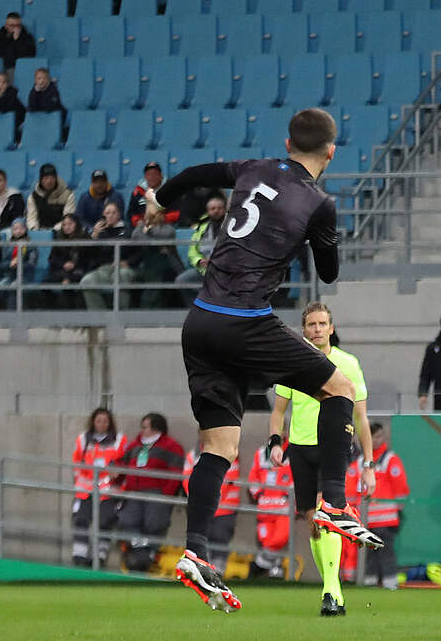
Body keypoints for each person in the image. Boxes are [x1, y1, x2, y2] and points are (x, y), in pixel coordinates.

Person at [142, 108, 379, 611]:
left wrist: (157, 202)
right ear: (331, 152)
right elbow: (330, 274)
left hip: (200, 322)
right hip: (245, 320)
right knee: (339, 387)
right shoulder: (319, 201)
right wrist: (321, 235)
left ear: (288, 142)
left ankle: (196, 551)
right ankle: (335, 501)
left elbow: (191, 176)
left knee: (219, 448)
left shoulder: (253, 168)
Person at [269, 301, 376, 616]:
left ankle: (331, 591)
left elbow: (362, 419)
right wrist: (275, 442)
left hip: (334, 446)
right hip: (300, 448)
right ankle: (333, 588)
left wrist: (369, 465)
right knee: (312, 522)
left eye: (322, 324)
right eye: (311, 324)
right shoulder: (292, 365)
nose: (316, 329)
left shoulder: (348, 364)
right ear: (303, 329)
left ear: (332, 328)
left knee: (324, 512)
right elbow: (278, 411)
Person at [115, 413, 185, 572]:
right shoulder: (134, 446)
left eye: (145, 426)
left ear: (156, 427)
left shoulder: (172, 446)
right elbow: (121, 466)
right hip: (133, 492)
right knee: (127, 521)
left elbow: (175, 474)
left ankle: (145, 557)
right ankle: (143, 554)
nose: (142, 430)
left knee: (154, 524)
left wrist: (165, 494)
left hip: (157, 494)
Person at [71, 407, 128, 566]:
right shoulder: (83, 439)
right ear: (93, 422)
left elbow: (122, 462)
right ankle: (79, 556)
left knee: (104, 522)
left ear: (110, 423)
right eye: (98, 421)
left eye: (105, 421)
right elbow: (76, 464)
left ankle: (99, 557)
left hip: (108, 491)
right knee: (81, 520)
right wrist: (80, 484)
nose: (102, 424)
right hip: (85, 490)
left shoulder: (119, 439)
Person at [357, 423, 409, 590]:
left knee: (385, 550)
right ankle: (370, 580)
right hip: (366, 517)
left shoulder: (389, 459)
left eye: (379, 436)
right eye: (372, 437)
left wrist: (398, 509)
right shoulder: (360, 461)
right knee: (369, 550)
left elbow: (400, 486)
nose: (376, 440)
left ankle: (389, 580)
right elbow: (353, 485)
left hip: (386, 517)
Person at [181, 445, 240, 568]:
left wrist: (210, 498)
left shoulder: (229, 451)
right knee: (200, 541)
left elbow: (230, 479)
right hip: (202, 509)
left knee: (220, 541)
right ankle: (200, 568)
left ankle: (217, 573)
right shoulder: (193, 454)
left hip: (224, 510)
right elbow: (187, 479)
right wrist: (199, 497)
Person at [246, 440, 292, 578]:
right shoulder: (261, 453)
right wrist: (258, 493)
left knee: (280, 538)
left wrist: (290, 495)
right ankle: (275, 570)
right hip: (264, 508)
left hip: (284, 508)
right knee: (265, 540)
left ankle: (258, 565)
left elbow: (298, 475)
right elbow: (253, 477)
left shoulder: (292, 451)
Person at [173, 192, 225, 306]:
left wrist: (216, 261)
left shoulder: (231, 226)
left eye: (219, 208)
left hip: (223, 271)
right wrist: (199, 260)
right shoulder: (202, 227)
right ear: (208, 211)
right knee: (181, 281)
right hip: (203, 269)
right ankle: (194, 309)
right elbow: (193, 250)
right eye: (212, 208)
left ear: (224, 210)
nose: (216, 211)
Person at [26, 163, 78, 231]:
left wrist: (53, 231)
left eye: (52, 178)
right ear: (41, 180)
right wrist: (36, 232)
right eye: (46, 178)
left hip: (62, 232)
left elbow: (68, 219)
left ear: (56, 179)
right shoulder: (33, 197)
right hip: (41, 232)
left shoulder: (68, 195)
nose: (49, 181)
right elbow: (31, 219)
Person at [128, 161, 178, 227]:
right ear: (145, 177)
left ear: (161, 175)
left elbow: (177, 212)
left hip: (165, 224)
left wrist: (164, 218)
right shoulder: (137, 192)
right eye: (149, 174)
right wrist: (137, 221)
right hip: (143, 225)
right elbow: (132, 213)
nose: (152, 177)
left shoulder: (170, 190)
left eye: (155, 173)